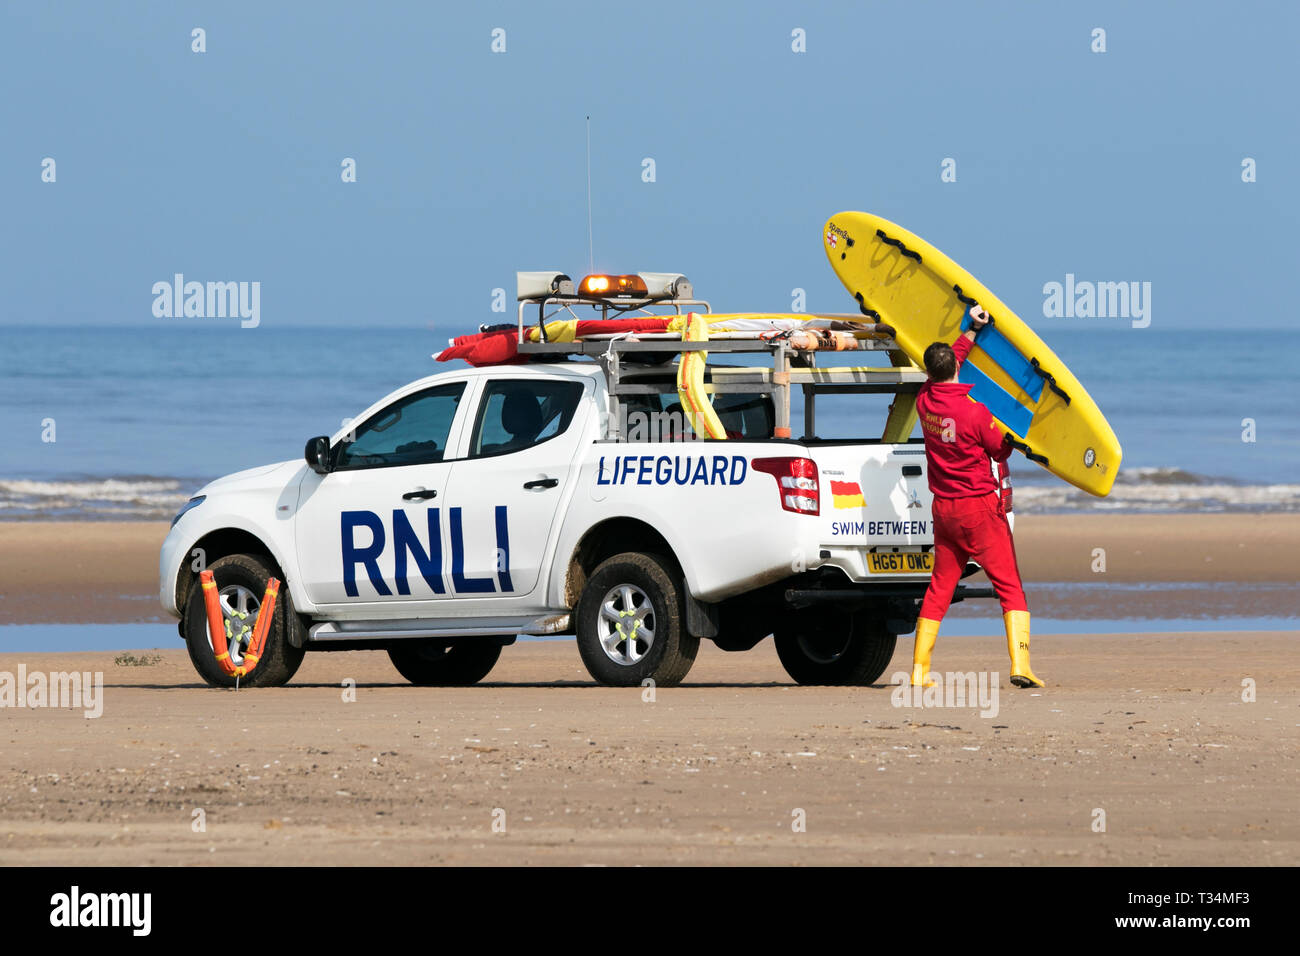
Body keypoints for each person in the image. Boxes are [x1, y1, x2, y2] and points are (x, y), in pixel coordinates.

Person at [911, 305, 1043, 689]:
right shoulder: (974, 413)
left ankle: (919, 672)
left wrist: (970, 331)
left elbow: (944, 366)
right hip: (980, 509)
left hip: (944, 510)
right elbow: (999, 452)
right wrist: (1015, 439)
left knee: (939, 587)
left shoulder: (925, 400)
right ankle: (1021, 666)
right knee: (1009, 585)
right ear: (955, 368)